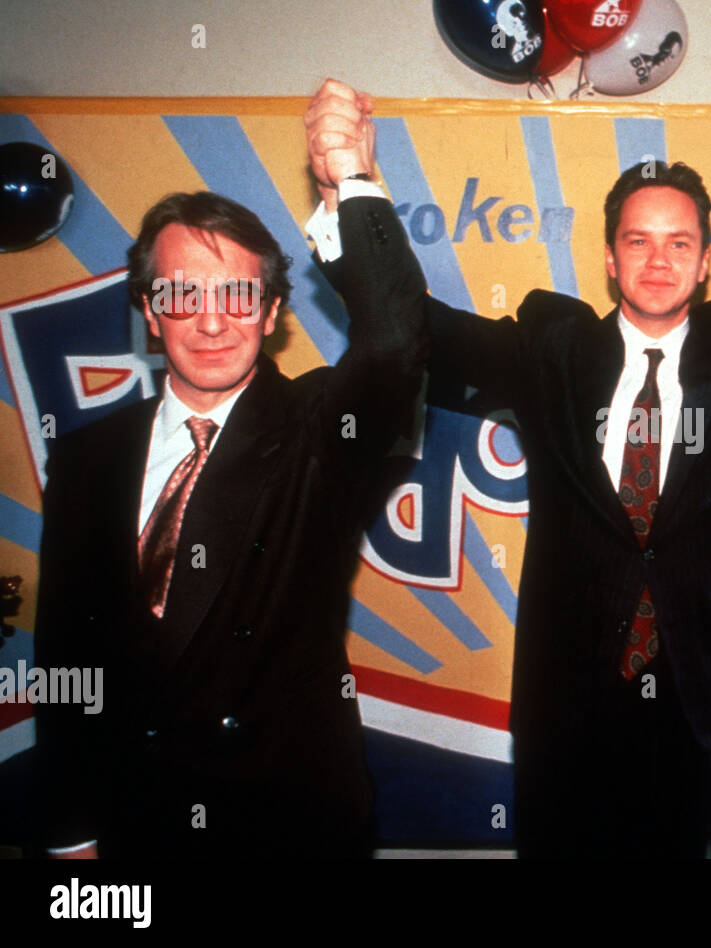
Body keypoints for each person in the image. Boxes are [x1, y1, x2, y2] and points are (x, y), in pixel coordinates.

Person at [302, 43, 711, 856]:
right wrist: (353, 183)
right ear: (608, 259)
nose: (658, 260)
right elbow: (417, 332)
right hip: (568, 696)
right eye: (638, 242)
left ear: (708, 262)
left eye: (680, 243)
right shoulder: (551, 346)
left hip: (697, 693)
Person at [33, 177, 429, 856]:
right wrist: (72, 832)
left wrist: (352, 177)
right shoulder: (86, 457)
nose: (211, 322)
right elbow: (68, 654)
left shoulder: (319, 431)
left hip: (288, 826)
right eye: (182, 295)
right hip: (138, 825)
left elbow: (394, 343)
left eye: (237, 295)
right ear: (150, 312)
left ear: (271, 312)